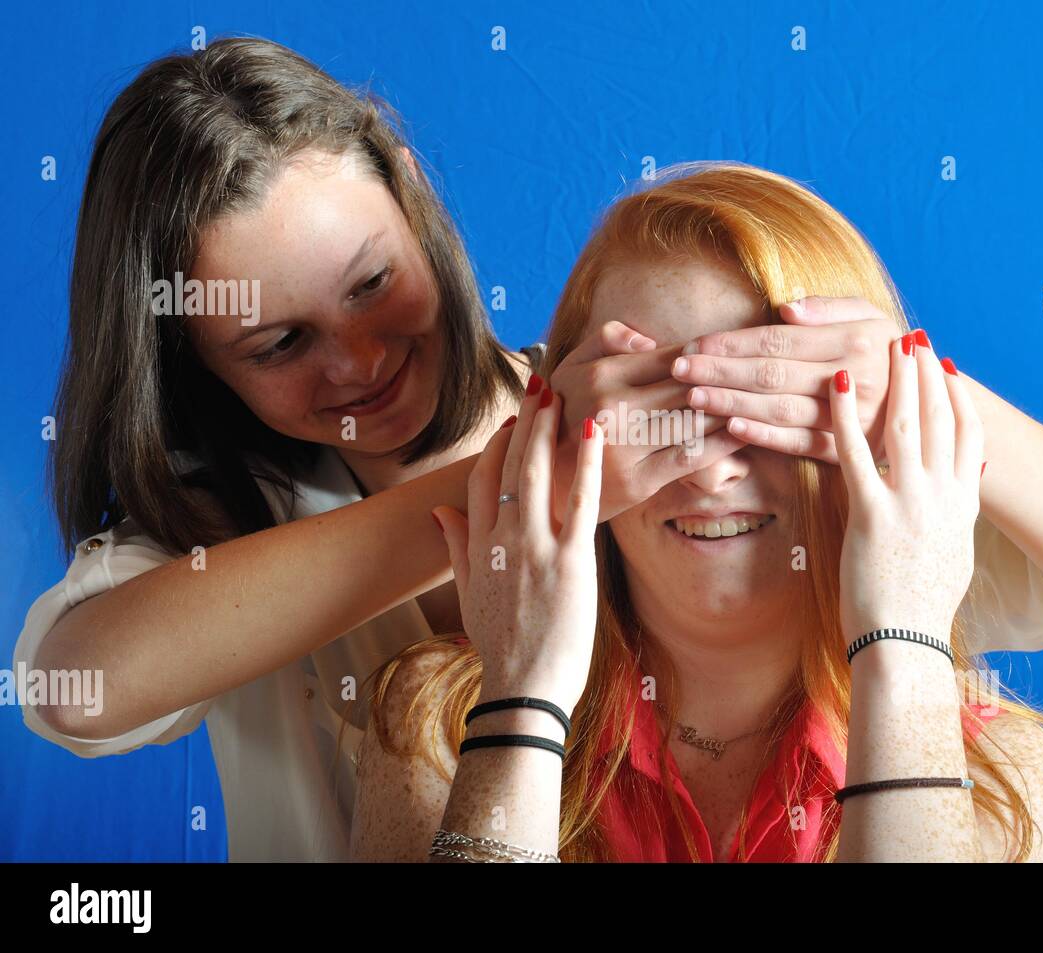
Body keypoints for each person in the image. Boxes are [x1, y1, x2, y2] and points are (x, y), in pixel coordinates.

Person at [349, 162, 1043, 862]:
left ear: (867, 431)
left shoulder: (995, 772)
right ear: (577, 437)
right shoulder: (436, 722)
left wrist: (904, 635)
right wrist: (523, 703)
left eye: (770, 409)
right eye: (662, 416)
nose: (712, 474)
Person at [11, 38, 742, 862]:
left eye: (371, 284)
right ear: (194, 359)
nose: (359, 363)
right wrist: (524, 481)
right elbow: (67, 688)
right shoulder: (228, 528)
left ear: (411, 191)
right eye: (280, 342)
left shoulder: (634, 418)